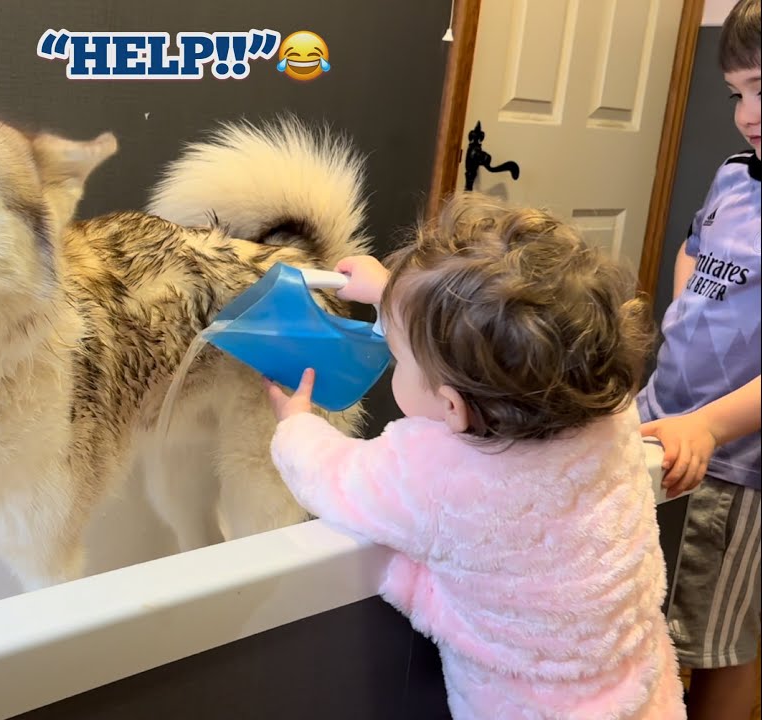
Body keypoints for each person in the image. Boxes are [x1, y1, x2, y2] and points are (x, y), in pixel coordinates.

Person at [266, 193, 685, 719]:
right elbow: (494, 318)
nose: (393, 362)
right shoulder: (608, 415)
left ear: (451, 407)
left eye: (397, 356)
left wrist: (297, 425)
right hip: (642, 695)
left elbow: (329, 475)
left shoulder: (433, 474)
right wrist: (390, 293)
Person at [635, 0, 762, 717]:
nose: (748, 113)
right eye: (738, 93)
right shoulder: (736, 174)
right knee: (652, 609)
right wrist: (688, 311)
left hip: (735, 465)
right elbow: (695, 246)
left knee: (717, 635)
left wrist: (712, 425)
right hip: (665, 428)